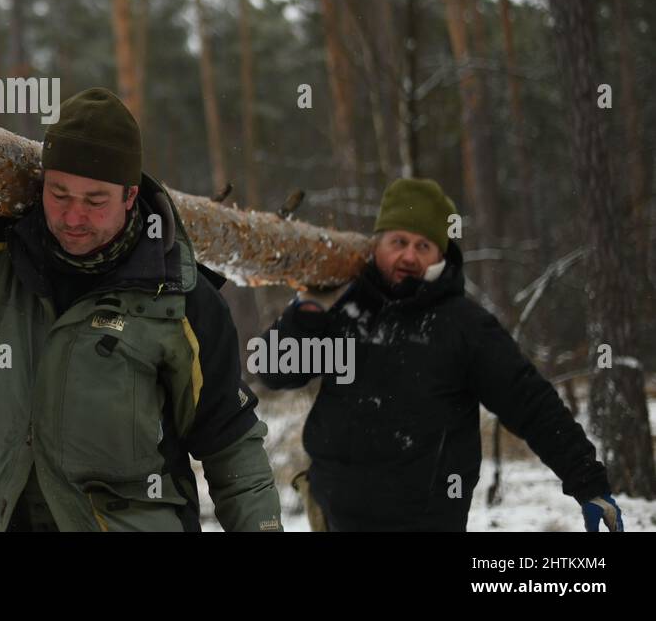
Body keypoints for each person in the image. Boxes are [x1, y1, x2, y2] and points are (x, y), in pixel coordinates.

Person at [0, 82, 282, 531]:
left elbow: (231, 445)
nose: (74, 217)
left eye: (95, 201)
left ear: (130, 197)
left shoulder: (179, 297)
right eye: (60, 194)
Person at [257, 177, 623, 532]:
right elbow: (274, 372)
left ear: (440, 256)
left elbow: (531, 404)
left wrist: (589, 483)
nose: (409, 256)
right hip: (331, 516)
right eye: (398, 241)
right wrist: (306, 310)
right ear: (376, 244)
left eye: (423, 246)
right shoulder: (347, 309)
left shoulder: (464, 326)